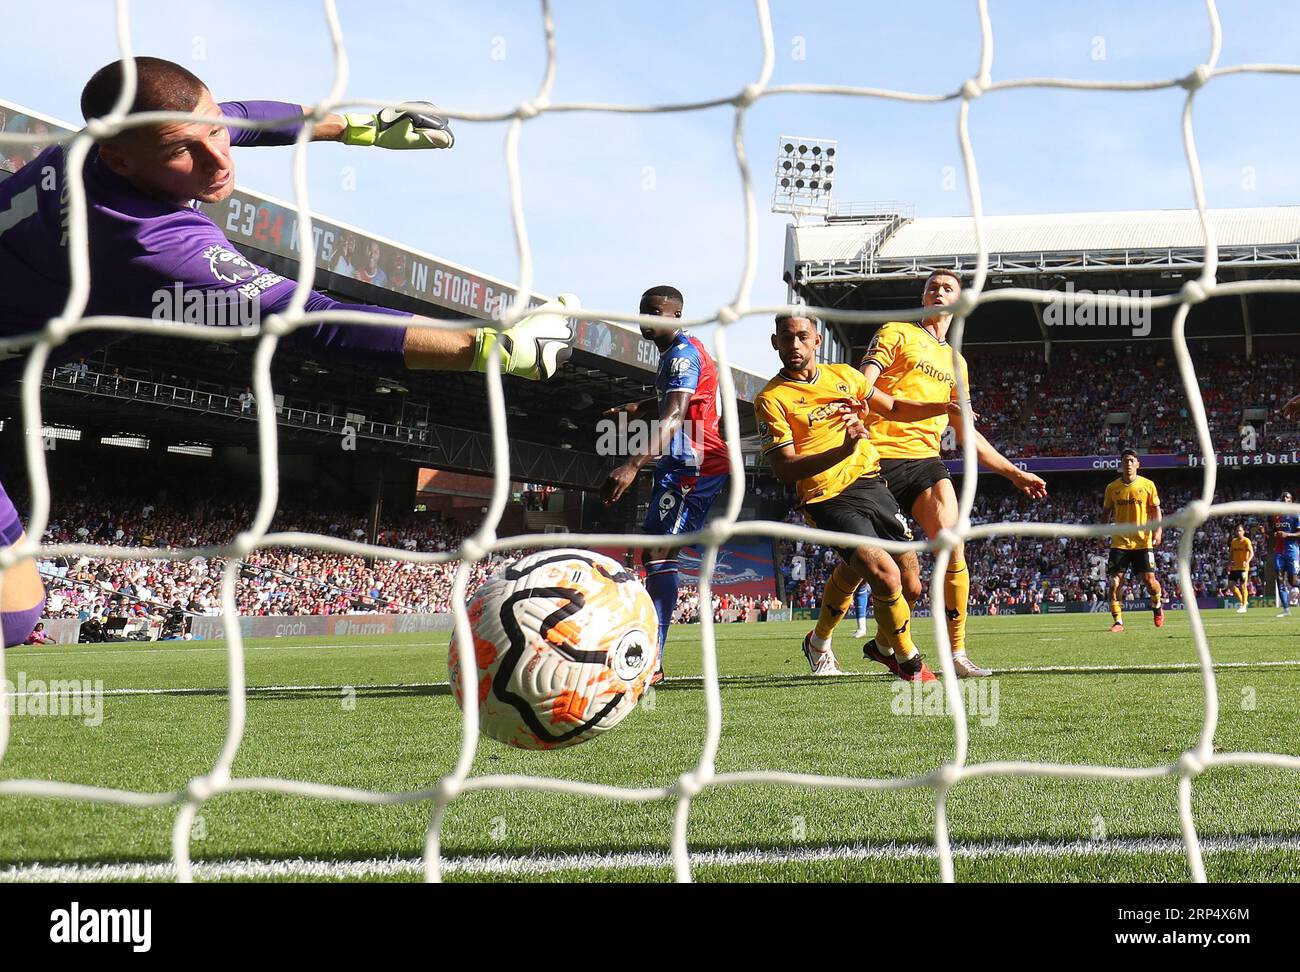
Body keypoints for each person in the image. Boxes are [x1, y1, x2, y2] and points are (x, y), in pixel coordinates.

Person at [0, 56, 575, 386]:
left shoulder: (109, 145)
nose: (220, 159)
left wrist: (359, 127)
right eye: (185, 152)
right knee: (18, 601)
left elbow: (247, 119)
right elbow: (315, 320)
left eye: (214, 132)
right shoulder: (150, 242)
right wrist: (489, 348)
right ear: (121, 158)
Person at [851, 269, 1047, 677]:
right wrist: (856, 409)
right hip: (876, 458)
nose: (938, 293)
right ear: (923, 298)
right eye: (931, 288)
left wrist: (1013, 472)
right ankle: (838, 640)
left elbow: (965, 431)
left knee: (953, 544)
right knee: (894, 577)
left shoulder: (957, 363)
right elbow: (864, 384)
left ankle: (956, 654)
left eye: (947, 288)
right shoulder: (896, 333)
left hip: (925, 461)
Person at [755, 314, 961, 680]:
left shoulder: (846, 377)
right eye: (787, 339)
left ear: (817, 341)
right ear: (775, 343)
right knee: (884, 574)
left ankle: (833, 643)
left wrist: (942, 407)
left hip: (871, 484)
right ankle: (910, 661)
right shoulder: (771, 399)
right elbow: (785, 468)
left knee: (911, 583)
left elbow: (894, 407)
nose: (795, 346)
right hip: (826, 497)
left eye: (803, 337)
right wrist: (845, 448)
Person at [600, 286, 728, 685]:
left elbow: (676, 416)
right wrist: (637, 408)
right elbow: (677, 404)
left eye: (655, 312)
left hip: (696, 462)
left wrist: (633, 463)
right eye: (642, 312)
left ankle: (652, 658)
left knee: (657, 551)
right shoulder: (679, 353)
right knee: (653, 552)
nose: (646, 319)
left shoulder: (681, 356)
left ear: (675, 316)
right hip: (680, 461)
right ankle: (651, 652)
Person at [1102, 449, 1164, 632]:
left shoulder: (1148, 485)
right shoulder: (1112, 488)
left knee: (1150, 582)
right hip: (1119, 542)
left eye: (1131, 460)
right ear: (1120, 465)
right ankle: (1118, 621)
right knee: (1114, 582)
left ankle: (1157, 604)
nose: (1128, 464)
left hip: (1142, 542)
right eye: (1125, 461)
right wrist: (1101, 532)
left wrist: (1158, 531)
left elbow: (1155, 510)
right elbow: (1106, 512)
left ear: (1137, 464)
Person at [1270, 492, 1299, 618]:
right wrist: (1275, 535)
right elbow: (1274, 532)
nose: (1284, 499)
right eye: (1282, 497)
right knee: (1279, 579)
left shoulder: (1295, 515)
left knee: (1293, 582)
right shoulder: (1276, 516)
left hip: (1292, 551)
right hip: (1278, 552)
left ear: (1291, 501)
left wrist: (1288, 535)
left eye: (1287, 497)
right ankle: (1286, 609)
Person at [1227, 522, 1253, 614]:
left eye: (1240, 531)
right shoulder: (1234, 542)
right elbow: (1231, 554)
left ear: (1243, 532)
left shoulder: (1246, 541)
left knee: (1243, 585)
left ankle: (1243, 606)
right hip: (1235, 567)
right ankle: (1244, 601)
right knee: (1231, 585)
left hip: (1243, 567)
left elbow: (1251, 553)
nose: (1238, 532)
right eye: (1237, 531)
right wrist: (1229, 564)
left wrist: (1247, 561)